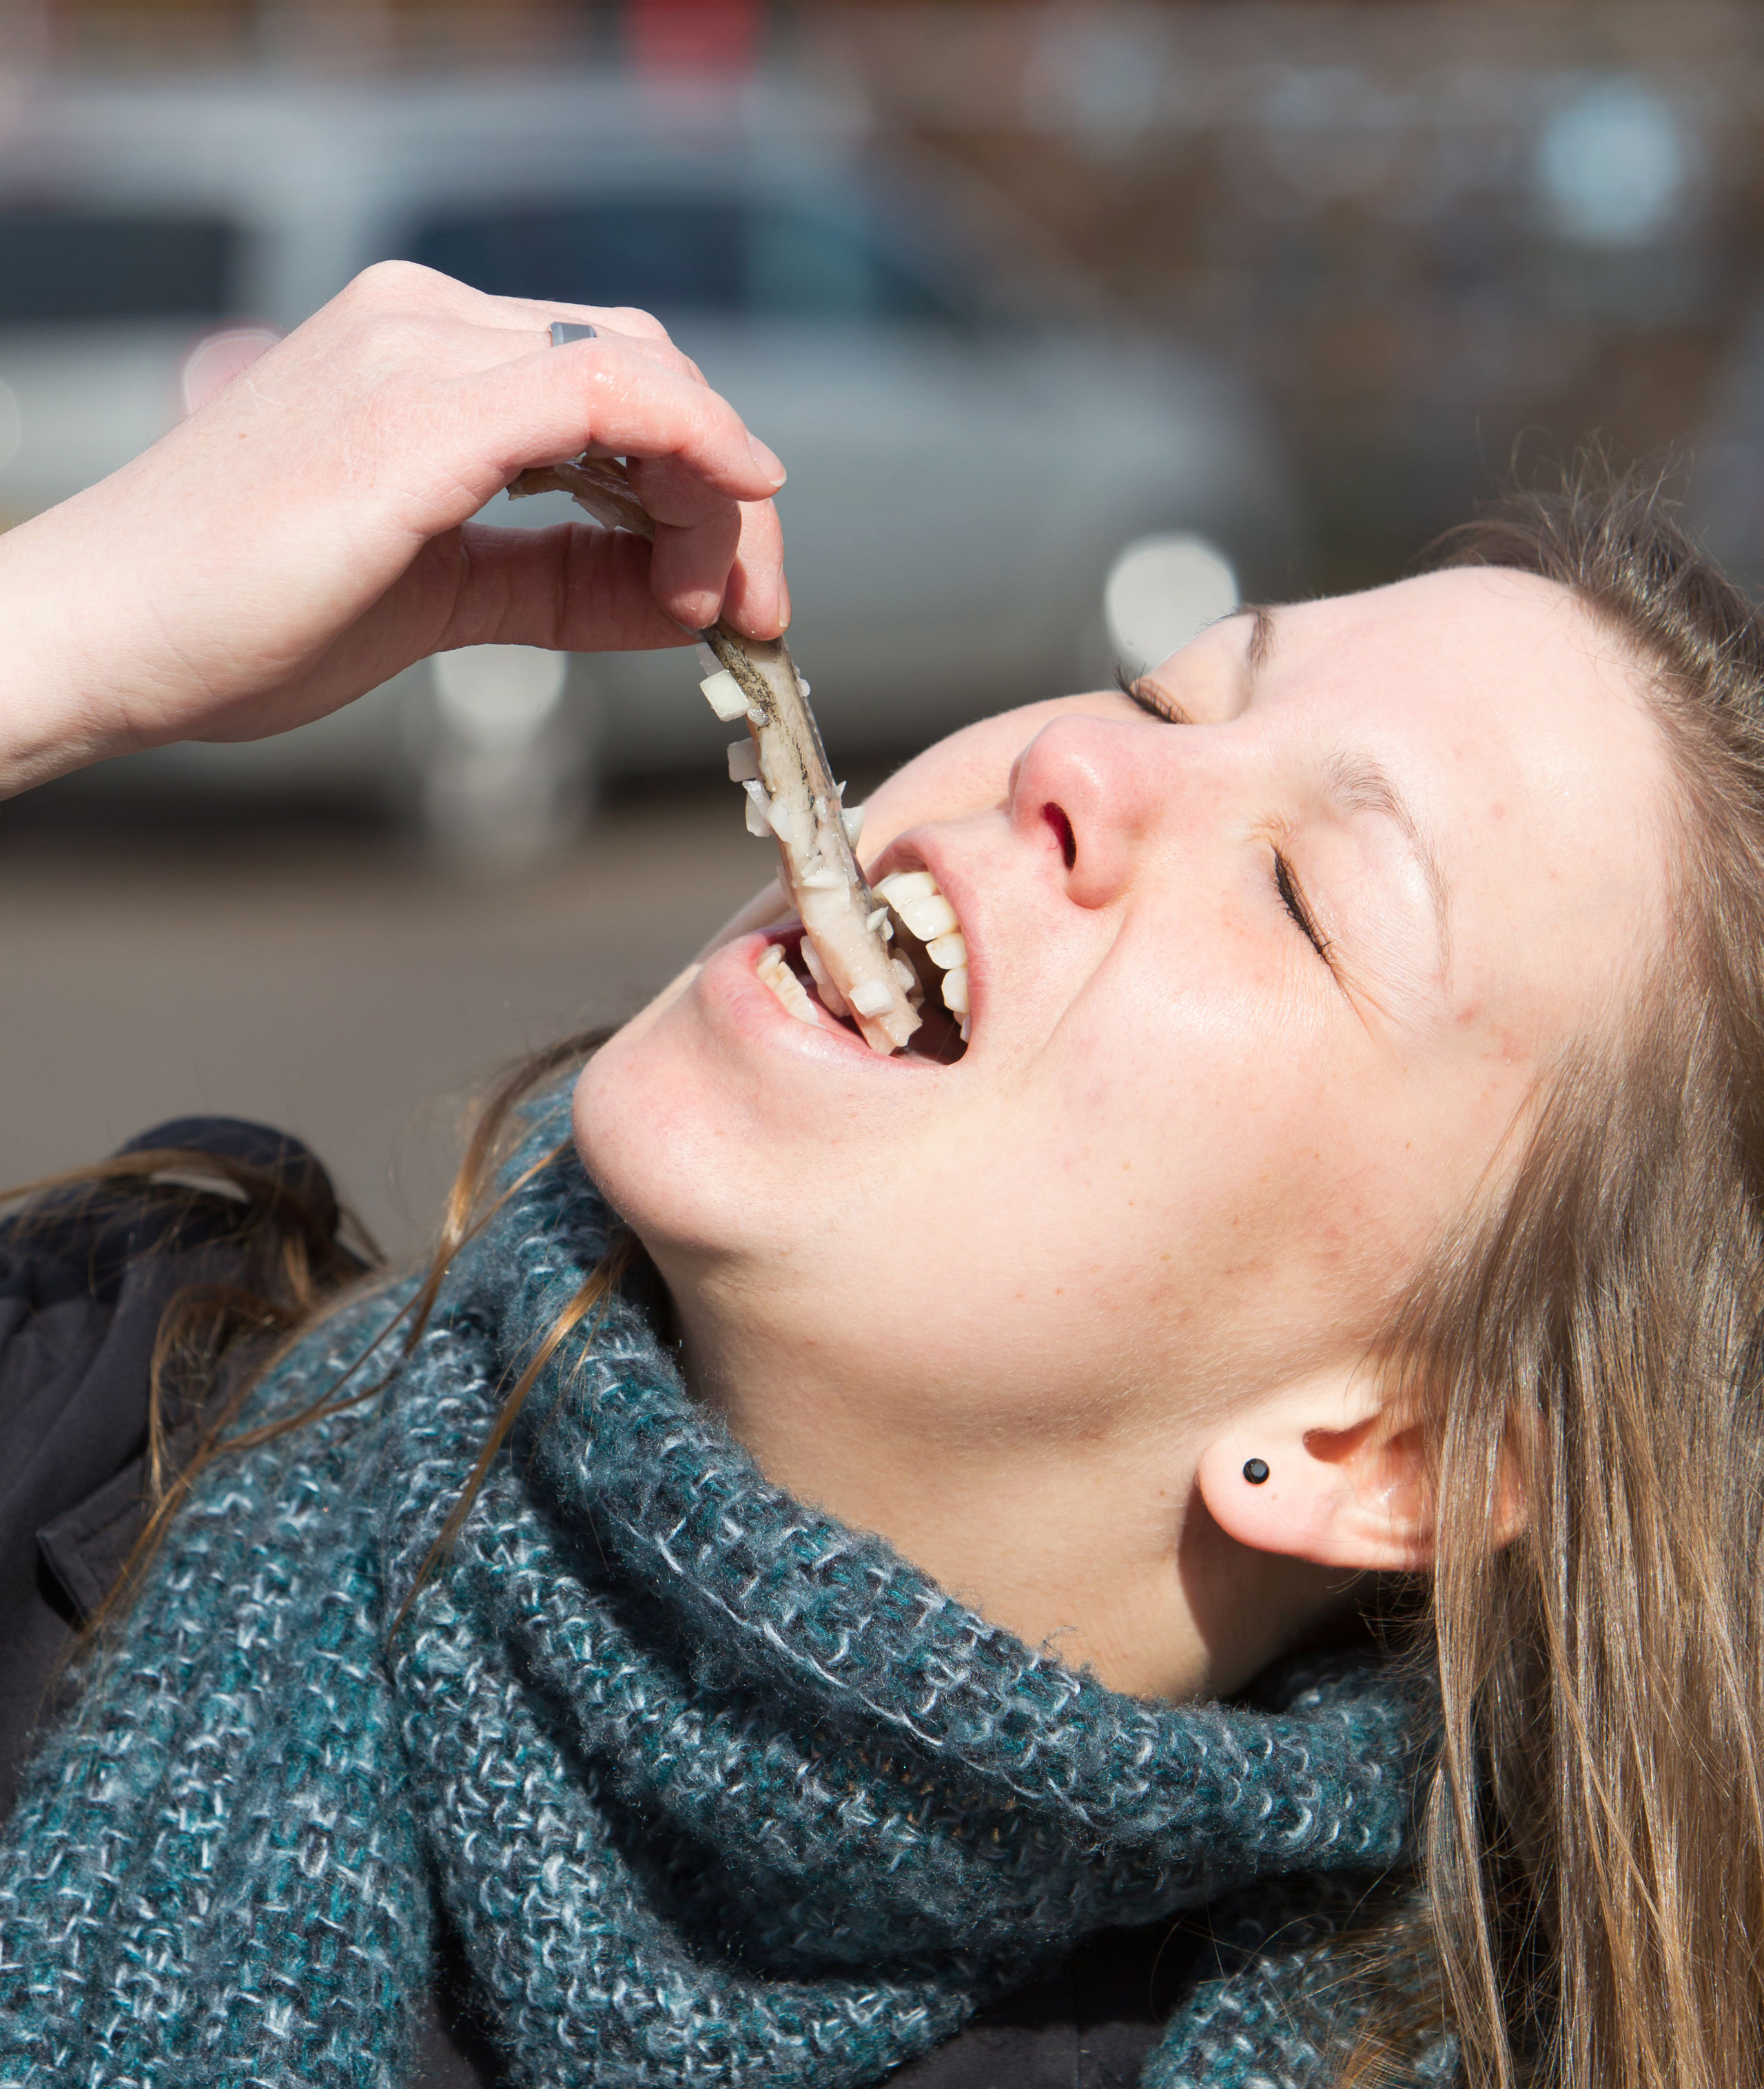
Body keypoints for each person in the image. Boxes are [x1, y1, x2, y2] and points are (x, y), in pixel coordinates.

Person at [0, 262, 1758, 2089]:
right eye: (1171, 697)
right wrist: (55, 636)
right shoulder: (76, 1397)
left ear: (1383, 1451)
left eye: (1308, 898)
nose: (1076, 750)